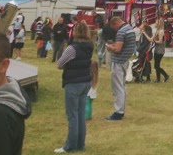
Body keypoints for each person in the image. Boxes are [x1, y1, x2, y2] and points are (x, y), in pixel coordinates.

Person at [55, 21, 95, 153]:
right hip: (85, 81)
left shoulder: (72, 48)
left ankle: (70, 145)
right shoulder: (89, 46)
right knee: (80, 114)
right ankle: (80, 144)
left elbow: (59, 64)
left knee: (72, 115)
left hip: (73, 82)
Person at [104, 16, 136, 121]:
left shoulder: (121, 32)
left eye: (113, 27)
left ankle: (118, 112)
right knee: (122, 86)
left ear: (115, 23)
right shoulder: (130, 29)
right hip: (125, 60)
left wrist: (110, 47)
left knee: (117, 87)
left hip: (118, 61)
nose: (114, 30)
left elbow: (117, 49)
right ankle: (121, 110)